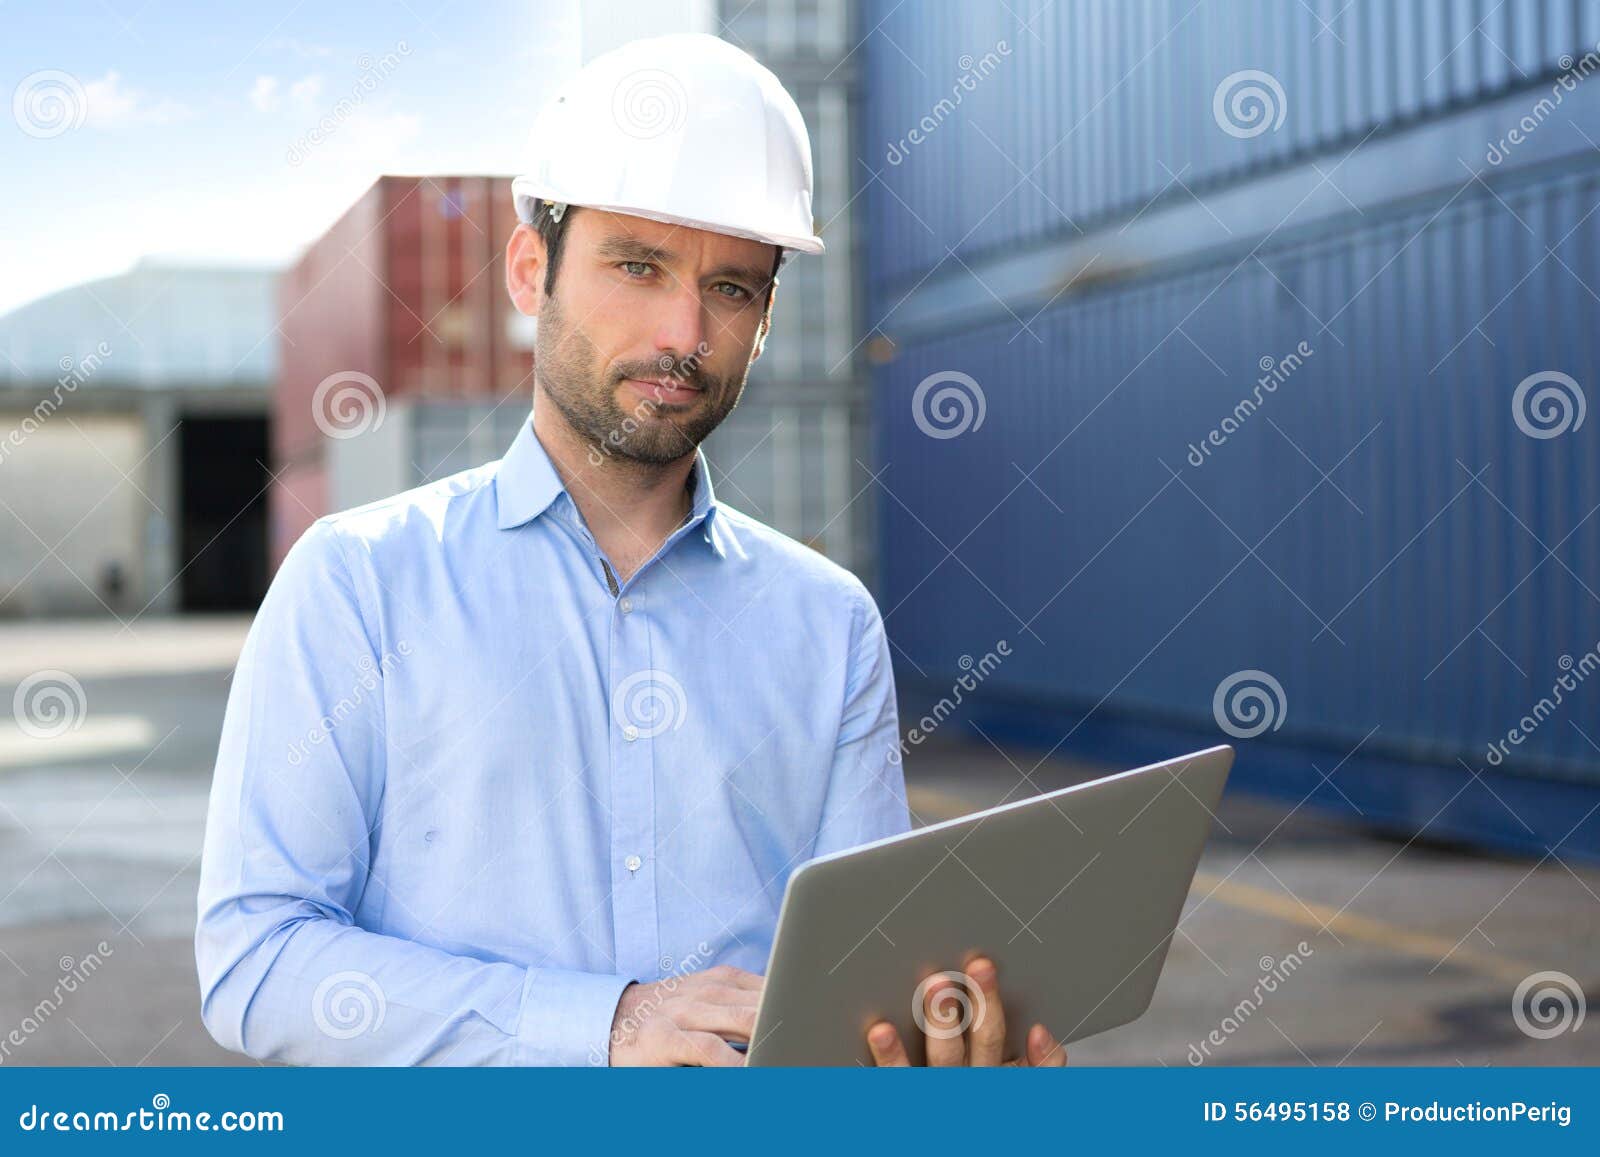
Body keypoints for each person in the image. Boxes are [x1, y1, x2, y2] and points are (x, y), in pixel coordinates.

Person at [196, 32, 1065, 1069]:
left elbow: (854, 975)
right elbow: (256, 964)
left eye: (733, 288)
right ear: (532, 270)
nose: (684, 331)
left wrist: (936, 1058)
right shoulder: (359, 583)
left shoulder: (824, 619)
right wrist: (605, 1023)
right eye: (637, 266)